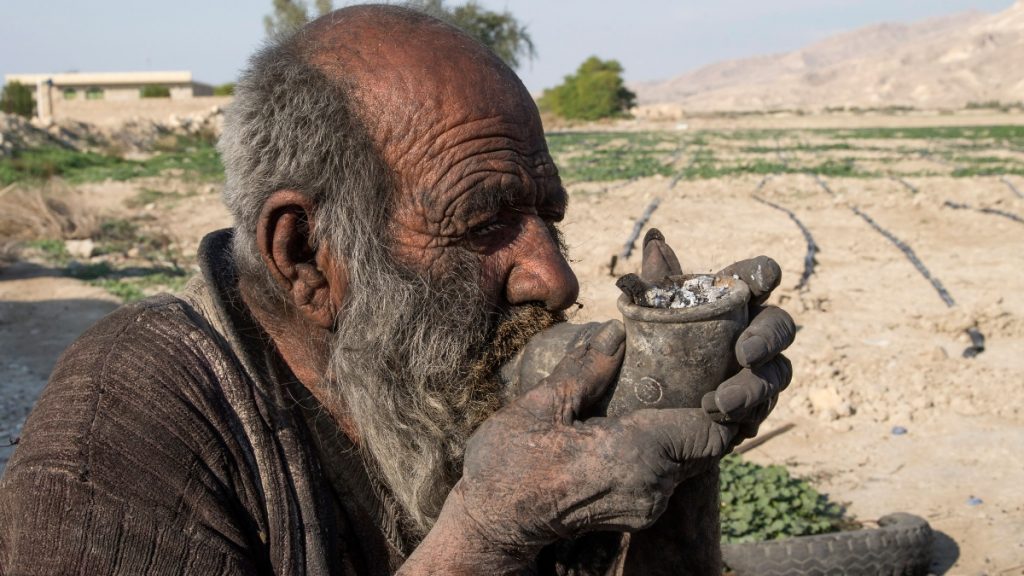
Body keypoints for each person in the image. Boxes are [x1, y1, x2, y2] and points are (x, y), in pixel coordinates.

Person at [0, 5, 794, 575]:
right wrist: (483, 539)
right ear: (306, 255)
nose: (556, 279)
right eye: (481, 222)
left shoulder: (431, 380)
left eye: (546, 217)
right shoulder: (121, 434)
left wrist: (681, 430)